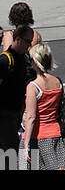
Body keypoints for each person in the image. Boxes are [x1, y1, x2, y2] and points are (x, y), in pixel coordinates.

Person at [21, 42, 65, 170]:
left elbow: (31, 118)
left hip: (36, 137)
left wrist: (26, 144)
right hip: (54, 134)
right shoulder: (58, 83)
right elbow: (62, 105)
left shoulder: (33, 87)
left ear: (35, 61)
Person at [0, 25, 35, 157]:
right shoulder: (4, 60)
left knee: (7, 155)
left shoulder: (23, 59)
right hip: (4, 116)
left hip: (15, 115)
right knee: (13, 153)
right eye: (28, 41)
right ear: (18, 39)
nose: (29, 45)